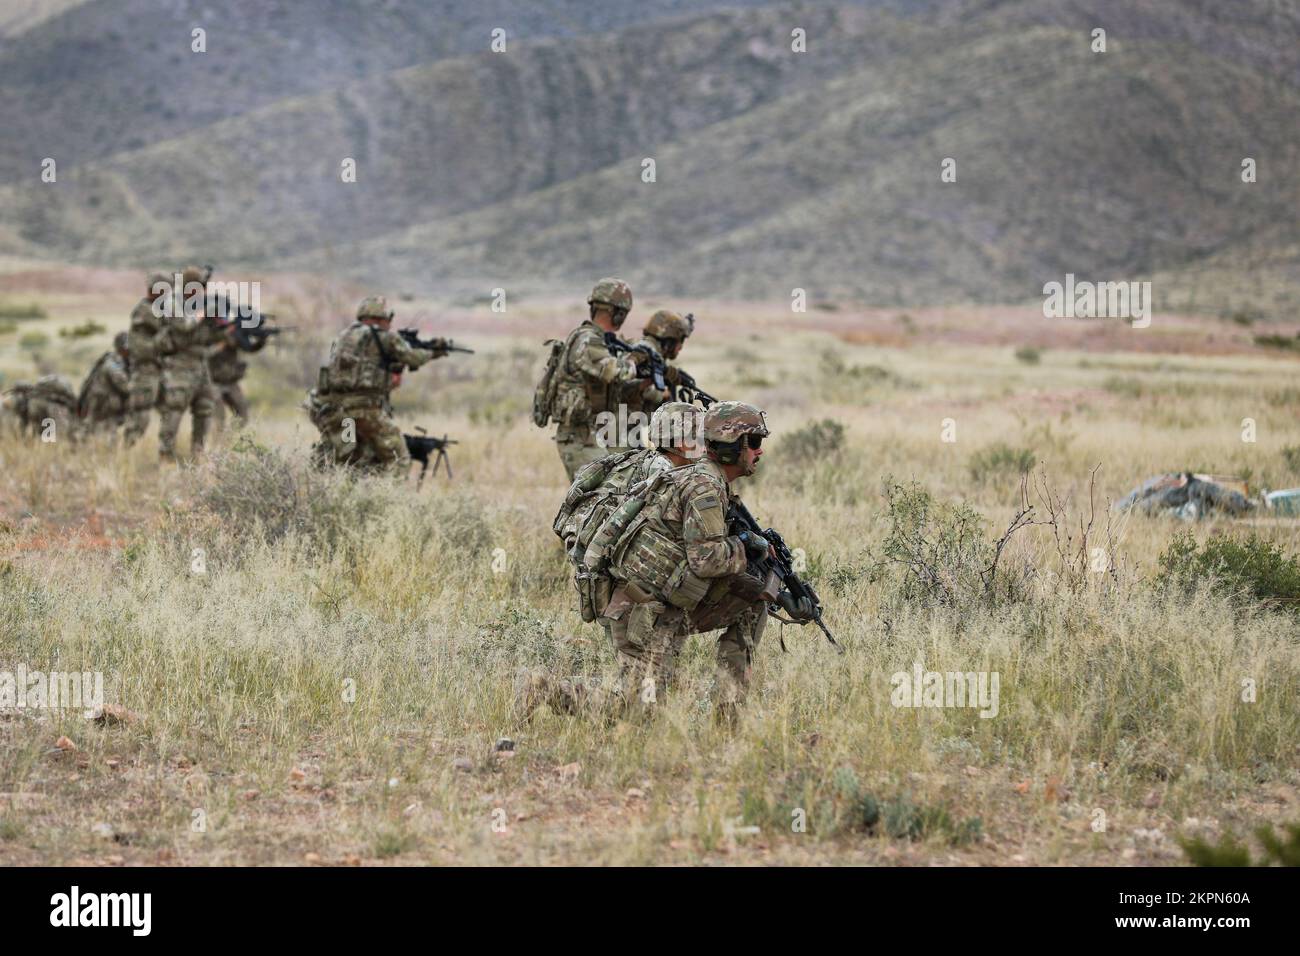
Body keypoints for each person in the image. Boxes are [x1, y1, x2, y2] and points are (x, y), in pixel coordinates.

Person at [306, 295, 449, 473]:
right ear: (379, 317)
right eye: (388, 319)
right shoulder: (383, 337)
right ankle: (389, 498)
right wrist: (435, 351)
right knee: (398, 457)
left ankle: (335, 489)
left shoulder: (344, 336)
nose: (389, 324)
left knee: (350, 456)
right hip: (364, 412)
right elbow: (413, 357)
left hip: (336, 411)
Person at [540, 278, 650, 480]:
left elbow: (611, 386)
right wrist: (636, 358)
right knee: (596, 500)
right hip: (579, 438)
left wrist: (643, 385)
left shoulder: (598, 340)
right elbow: (617, 372)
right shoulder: (588, 339)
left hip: (590, 436)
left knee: (609, 496)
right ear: (617, 313)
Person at [156, 265, 225, 461]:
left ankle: (198, 453)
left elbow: (208, 334)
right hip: (179, 364)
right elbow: (184, 326)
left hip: (200, 364)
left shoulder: (198, 302)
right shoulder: (172, 302)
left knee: (204, 408)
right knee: (175, 409)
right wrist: (202, 314)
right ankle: (165, 454)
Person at [122, 271, 170, 446]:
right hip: (144, 371)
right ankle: (125, 455)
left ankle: (166, 451)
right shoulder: (144, 310)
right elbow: (164, 327)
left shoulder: (157, 309)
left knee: (171, 411)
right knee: (140, 418)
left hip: (157, 370)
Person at [77, 332, 132, 436]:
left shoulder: (121, 361)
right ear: (120, 348)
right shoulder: (112, 364)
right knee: (97, 434)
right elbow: (125, 386)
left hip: (106, 406)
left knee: (96, 431)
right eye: (127, 349)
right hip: (101, 405)